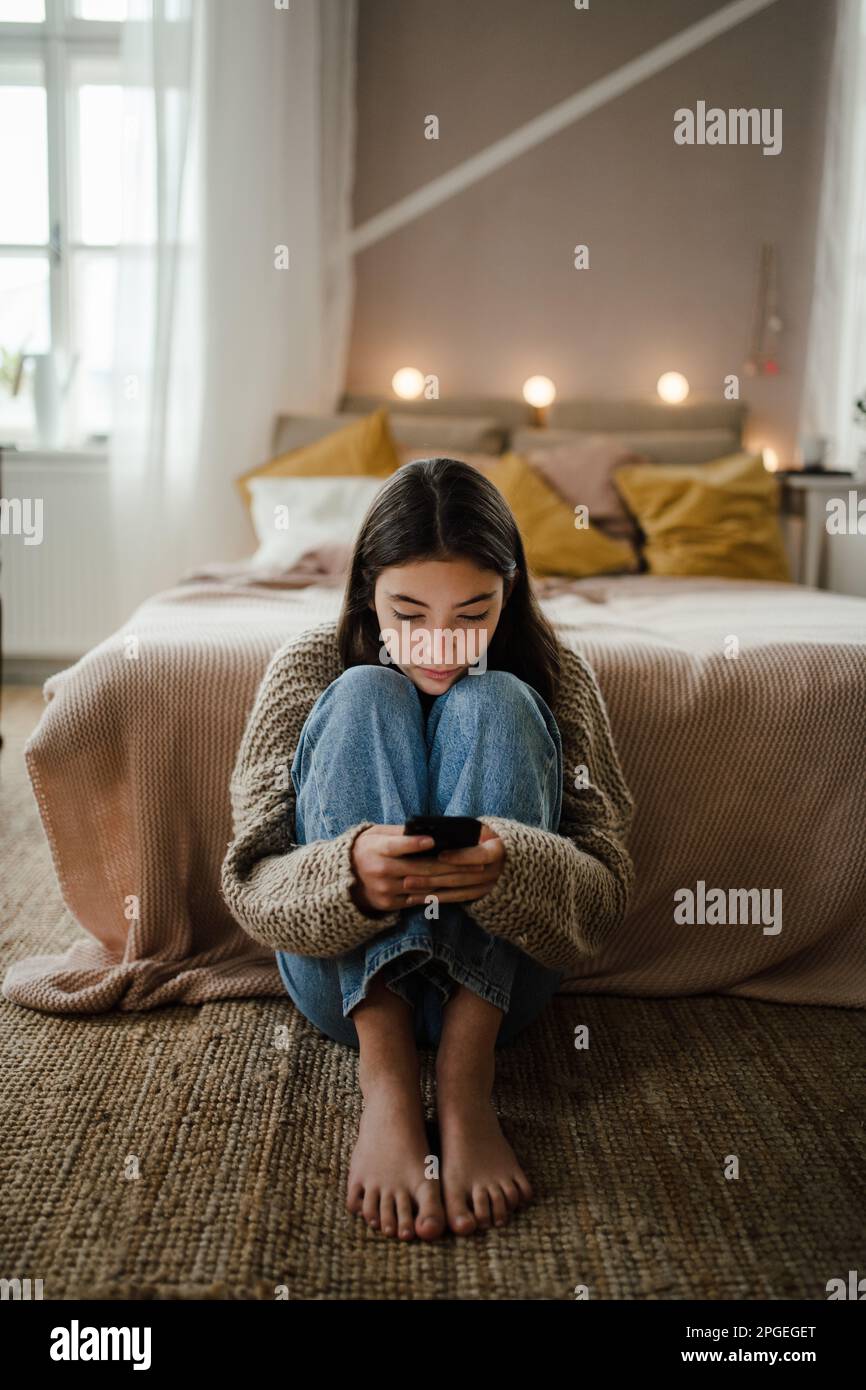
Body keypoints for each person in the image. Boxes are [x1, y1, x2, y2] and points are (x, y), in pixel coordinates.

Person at [221, 457, 634, 1242]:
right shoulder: (309, 663)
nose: (441, 642)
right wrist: (347, 876)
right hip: (345, 990)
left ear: (509, 594)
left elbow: (607, 890)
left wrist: (515, 864)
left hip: (503, 991)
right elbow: (249, 881)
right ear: (366, 593)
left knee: (498, 698)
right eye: (408, 613)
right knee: (364, 692)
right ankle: (388, 1088)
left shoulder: (554, 671)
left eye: (473, 612)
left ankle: (464, 1082)